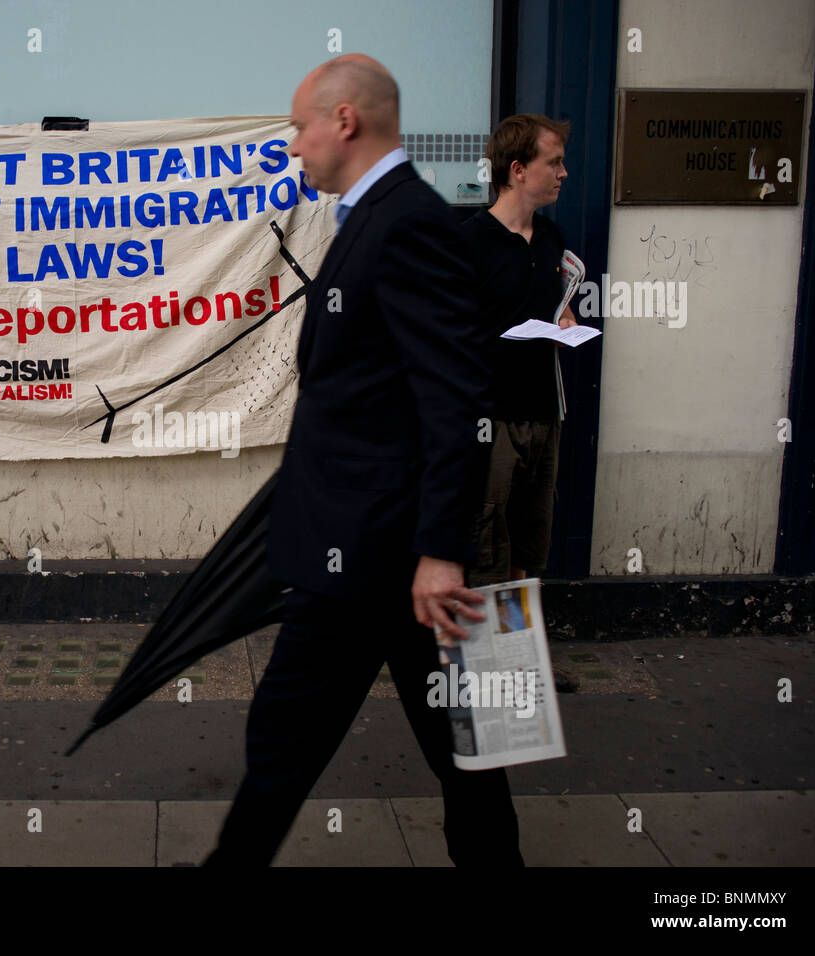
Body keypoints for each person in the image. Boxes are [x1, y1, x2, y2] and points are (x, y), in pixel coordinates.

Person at [202, 54, 523, 867]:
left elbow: (454, 398)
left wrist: (442, 552)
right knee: (462, 745)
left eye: (300, 124)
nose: (294, 143)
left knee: (285, 740)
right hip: (381, 552)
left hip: (377, 557)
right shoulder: (369, 216)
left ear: (344, 121)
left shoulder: (406, 221)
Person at [463, 114, 575, 587]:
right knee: (483, 534)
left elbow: (552, 309)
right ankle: (474, 646)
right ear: (518, 170)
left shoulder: (551, 239)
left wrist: (564, 323)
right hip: (491, 415)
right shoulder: (469, 241)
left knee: (530, 531)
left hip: (543, 411)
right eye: (554, 163)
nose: (563, 173)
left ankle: (515, 642)